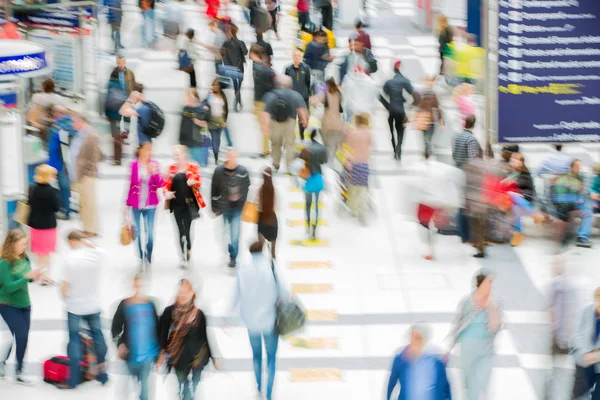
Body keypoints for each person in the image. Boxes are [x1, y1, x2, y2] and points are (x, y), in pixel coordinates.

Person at [233, 240, 288, 400]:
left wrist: (229, 316)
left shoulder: (242, 270)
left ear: (250, 253)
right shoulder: (271, 267)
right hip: (270, 321)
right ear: (263, 250)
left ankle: (258, 389)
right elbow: (284, 292)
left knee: (256, 356)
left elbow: (236, 296)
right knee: (271, 359)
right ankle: (269, 395)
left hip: (251, 323)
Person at [60, 230, 109, 389]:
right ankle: (102, 375)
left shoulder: (69, 259)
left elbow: (64, 288)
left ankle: (73, 380)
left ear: (72, 241)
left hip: (74, 307)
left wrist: (65, 296)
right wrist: (87, 242)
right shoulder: (97, 254)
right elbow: (100, 250)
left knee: (74, 341)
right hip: (93, 304)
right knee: (98, 338)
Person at [158, 279, 220, 400]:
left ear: (192, 293)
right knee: (185, 387)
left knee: (194, 385)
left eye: (186, 292)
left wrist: (214, 357)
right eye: (180, 292)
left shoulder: (199, 314)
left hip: (198, 357)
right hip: (178, 358)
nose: (182, 295)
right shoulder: (169, 312)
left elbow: (205, 336)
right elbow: (162, 333)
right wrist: (162, 352)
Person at [448, 271, 502, 400]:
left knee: (483, 382)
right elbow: (458, 323)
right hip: (467, 346)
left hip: (485, 348)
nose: (490, 287)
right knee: (468, 382)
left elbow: (495, 328)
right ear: (479, 285)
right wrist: (451, 344)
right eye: (488, 283)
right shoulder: (467, 301)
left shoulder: (495, 303)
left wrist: (491, 308)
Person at [0, 229, 43, 384]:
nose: (24, 247)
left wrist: (35, 277)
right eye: (21, 244)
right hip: (7, 304)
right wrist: (26, 277)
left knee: (21, 338)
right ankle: (4, 364)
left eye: (25, 244)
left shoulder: (25, 258)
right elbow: (9, 287)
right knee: (21, 335)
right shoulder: (4, 263)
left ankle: (18, 370)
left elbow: (28, 280)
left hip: (25, 304)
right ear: (11, 245)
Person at [111, 273, 160, 400]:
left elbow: (157, 328)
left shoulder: (151, 305)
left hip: (148, 355)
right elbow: (116, 327)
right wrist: (120, 344)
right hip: (130, 355)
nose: (139, 288)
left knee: (145, 390)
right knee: (125, 389)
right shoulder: (125, 304)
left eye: (141, 285)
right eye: (137, 285)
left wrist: (161, 352)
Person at [411, 151, 465, 260]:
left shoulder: (419, 169)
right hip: (437, 202)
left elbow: (414, 185)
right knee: (432, 225)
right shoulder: (439, 170)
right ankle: (432, 246)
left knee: (425, 225)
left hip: (425, 203)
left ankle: (430, 248)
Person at [163, 146, 206, 268]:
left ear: (184, 155)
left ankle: (188, 249)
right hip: (176, 204)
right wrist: (166, 193)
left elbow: (199, 182)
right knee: (180, 230)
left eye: (178, 154)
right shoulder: (172, 169)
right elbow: (166, 185)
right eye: (175, 155)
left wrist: (194, 182)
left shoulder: (193, 167)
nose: (176, 157)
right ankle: (182, 257)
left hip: (189, 203)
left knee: (187, 230)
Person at [386, 323, 452, 400]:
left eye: (417, 338)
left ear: (424, 341)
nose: (413, 341)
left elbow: (446, 389)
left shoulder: (436, 364)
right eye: (411, 336)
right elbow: (391, 384)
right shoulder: (401, 360)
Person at [126, 143, 164, 268]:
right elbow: (131, 185)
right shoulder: (133, 165)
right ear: (140, 151)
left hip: (151, 204)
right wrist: (126, 204)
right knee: (137, 230)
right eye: (146, 150)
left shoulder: (154, 164)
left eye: (150, 151)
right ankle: (141, 255)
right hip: (136, 204)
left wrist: (154, 173)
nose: (148, 153)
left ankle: (149, 251)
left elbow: (160, 184)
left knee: (150, 232)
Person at [260, 75, 309, 172]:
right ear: (290, 85)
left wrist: (264, 125)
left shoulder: (271, 94)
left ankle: (276, 163)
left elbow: (265, 112)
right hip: (290, 122)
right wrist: (304, 120)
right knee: (290, 144)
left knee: (275, 143)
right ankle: (289, 166)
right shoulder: (295, 95)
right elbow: (302, 109)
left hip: (275, 122)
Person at [211, 149, 250, 268]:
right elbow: (214, 189)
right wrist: (214, 207)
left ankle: (233, 257)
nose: (233, 160)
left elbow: (247, 187)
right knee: (225, 233)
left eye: (235, 157)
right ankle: (229, 248)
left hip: (237, 208)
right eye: (230, 157)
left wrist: (242, 200)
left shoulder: (242, 171)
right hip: (224, 207)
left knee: (235, 233)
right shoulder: (219, 171)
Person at [27, 164, 60, 285]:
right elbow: (56, 208)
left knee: (38, 252)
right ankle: (45, 277)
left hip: (34, 225)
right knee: (46, 253)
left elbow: (29, 203)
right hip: (48, 226)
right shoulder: (52, 191)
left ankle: (38, 274)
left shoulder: (32, 188)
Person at [504, 152, 544, 247]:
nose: (513, 160)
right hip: (508, 201)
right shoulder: (508, 172)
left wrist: (519, 193)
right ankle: (534, 215)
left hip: (524, 200)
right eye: (512, 158)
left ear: (521, 162)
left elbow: (528, 190)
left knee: (516, 205)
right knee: (512, 199)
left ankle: (519, 233)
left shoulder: (525, 174)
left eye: (516, 159)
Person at [380, 61, 418, 160]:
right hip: (401, 110)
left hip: (391, 110)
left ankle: (394, 149)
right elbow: (414, 94)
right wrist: (409, 104)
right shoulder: (405, 81)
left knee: (391, 131)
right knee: (401, 130)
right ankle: (399, 147)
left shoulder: (389, 82)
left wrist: (387, 106)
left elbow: (381, 95)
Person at [73, 114, 103, 238]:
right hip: (79, 175)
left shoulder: (91, 135)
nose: (73, 125)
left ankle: (91, 229)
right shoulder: (81, 134)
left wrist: (88, 171)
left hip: (86, 175)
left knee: (89, 203)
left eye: (75, 121)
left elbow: (95, 156)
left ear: (81, 121)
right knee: (83, 204)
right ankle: (86, 228)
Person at [551, 159, 590, 250]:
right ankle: (566, 237)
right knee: (571, 211)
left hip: (575, 203)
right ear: (570, 168)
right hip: (565, 203)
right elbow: (560, 195)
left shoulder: (580, 178)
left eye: (579, 167)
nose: (578, 169)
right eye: (577, 167)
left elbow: (582, 193)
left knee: (587, 211)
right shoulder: (564, 179)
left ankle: (582, 237)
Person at [47, 105, 76, 219]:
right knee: (66, 187)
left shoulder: (57, 127)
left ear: (57, 113)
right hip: (69, 162)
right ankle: (67, 207)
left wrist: (51, 164)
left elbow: (53, 148)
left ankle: (65, 211)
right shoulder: (72, 125)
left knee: (63, 187)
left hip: (59, 163)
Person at [342, 114, 371, 225]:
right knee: (363, 190)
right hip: (365, 164)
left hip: (353, 164)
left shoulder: (352, 133)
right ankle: (363, 214)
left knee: (352, 189)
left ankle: (354, 210)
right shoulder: (369, 133)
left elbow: (346, 148)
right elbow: (370, 148)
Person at [107, 55, 137, 164]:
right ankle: (119, 138)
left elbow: (133, 85)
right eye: (119, 63)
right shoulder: (113, 74)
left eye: (122, 62)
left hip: (127, 100)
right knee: (117, 125)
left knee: (127, 120)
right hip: (116, 103)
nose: (121, 65)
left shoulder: (130, 73)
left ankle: (125, 135)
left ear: (125, 62)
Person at [573, 287, 600, 399]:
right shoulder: (586, 310)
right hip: (583, 361)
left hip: (598, 364)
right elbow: (576, 333)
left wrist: (596, 356)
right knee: (579, 395)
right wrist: (585, 353)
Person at [302, 129, 328, 240]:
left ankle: (307, 224)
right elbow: (324, 162)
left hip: (307, 178)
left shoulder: (306, 148)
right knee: (316, 204)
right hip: (317, 177)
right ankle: (315, 228)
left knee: (307, 204)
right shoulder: (322, 148)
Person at [250, 44, 276, 157]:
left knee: (264, 126)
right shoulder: (260, 67)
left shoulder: (261, 68)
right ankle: (267, 148)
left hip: (262, 102)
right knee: (264, 125)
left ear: (253, 54)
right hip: (261, 100)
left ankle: (266, 150)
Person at [285, 49, 312, 141]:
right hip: (292, 98)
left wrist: (309, 96)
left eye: (299, 56)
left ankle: (302, 133)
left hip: (303, 97)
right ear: (292, 57)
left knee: (303, 117)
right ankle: (291, 135)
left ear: (301, 57)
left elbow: (308, 82)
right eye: (295, 56)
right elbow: (286, 83)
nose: (297, 57)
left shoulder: (306, 68)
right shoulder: (288, 69)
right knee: (291, 117)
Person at [179, 88, 210, 167]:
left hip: (196, 145)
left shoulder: (200, 109)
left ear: (195, 98)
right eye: (187, 96)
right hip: (185, 144)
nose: (188, 98)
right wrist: (181, 142)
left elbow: (205, 125)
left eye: (190, 96)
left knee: (197, 168)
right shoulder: (185, 109)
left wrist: (198, 122)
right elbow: (182, 126)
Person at [416, 76, 444, 157]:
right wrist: (441, 122)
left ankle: (427, 151)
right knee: (427, 138)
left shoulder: (421, 95)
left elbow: (418, 107)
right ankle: (427, 151)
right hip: (429, 119)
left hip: (425, 119)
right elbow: (438, 108)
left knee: (426, 138)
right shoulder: (432, 95)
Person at [222, 24, 248, 111]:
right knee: (239, 86)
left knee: (236, 86)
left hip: (231, 67)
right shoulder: (240, 43)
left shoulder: (226, 43)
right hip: (239, 66)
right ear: (237, 32)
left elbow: (222, 53)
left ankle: (238, 102)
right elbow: (245, 52)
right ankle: (236, 103)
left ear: (230, 32)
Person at [320, 77, 344, 162]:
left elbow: (320, 100)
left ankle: (329, 161)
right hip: (337, 123)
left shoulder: (326, 94)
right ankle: (332, 159)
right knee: (334, 143)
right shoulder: (339, 94)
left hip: (327, 123)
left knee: (327, 143)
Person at [206, 79, 229, 164]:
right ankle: (216, 157)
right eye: (213, 85)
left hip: (221, 120)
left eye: (216, 85)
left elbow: (226, 108)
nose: (214, 86)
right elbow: (205, 103)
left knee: (218, 138)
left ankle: (216, 151)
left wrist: (225, 120)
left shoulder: (222, 95)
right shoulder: (210, 94)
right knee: (214, 138)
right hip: (212, 120)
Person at [258, 167, 278, 259]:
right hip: (272, 220)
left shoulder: (260, 189)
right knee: (273, 251)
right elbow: (278, 207)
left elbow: (257, 205)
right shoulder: (276, 189)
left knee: (261, 247)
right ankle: (273, 264)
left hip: (262, 219)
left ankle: (261, 265)